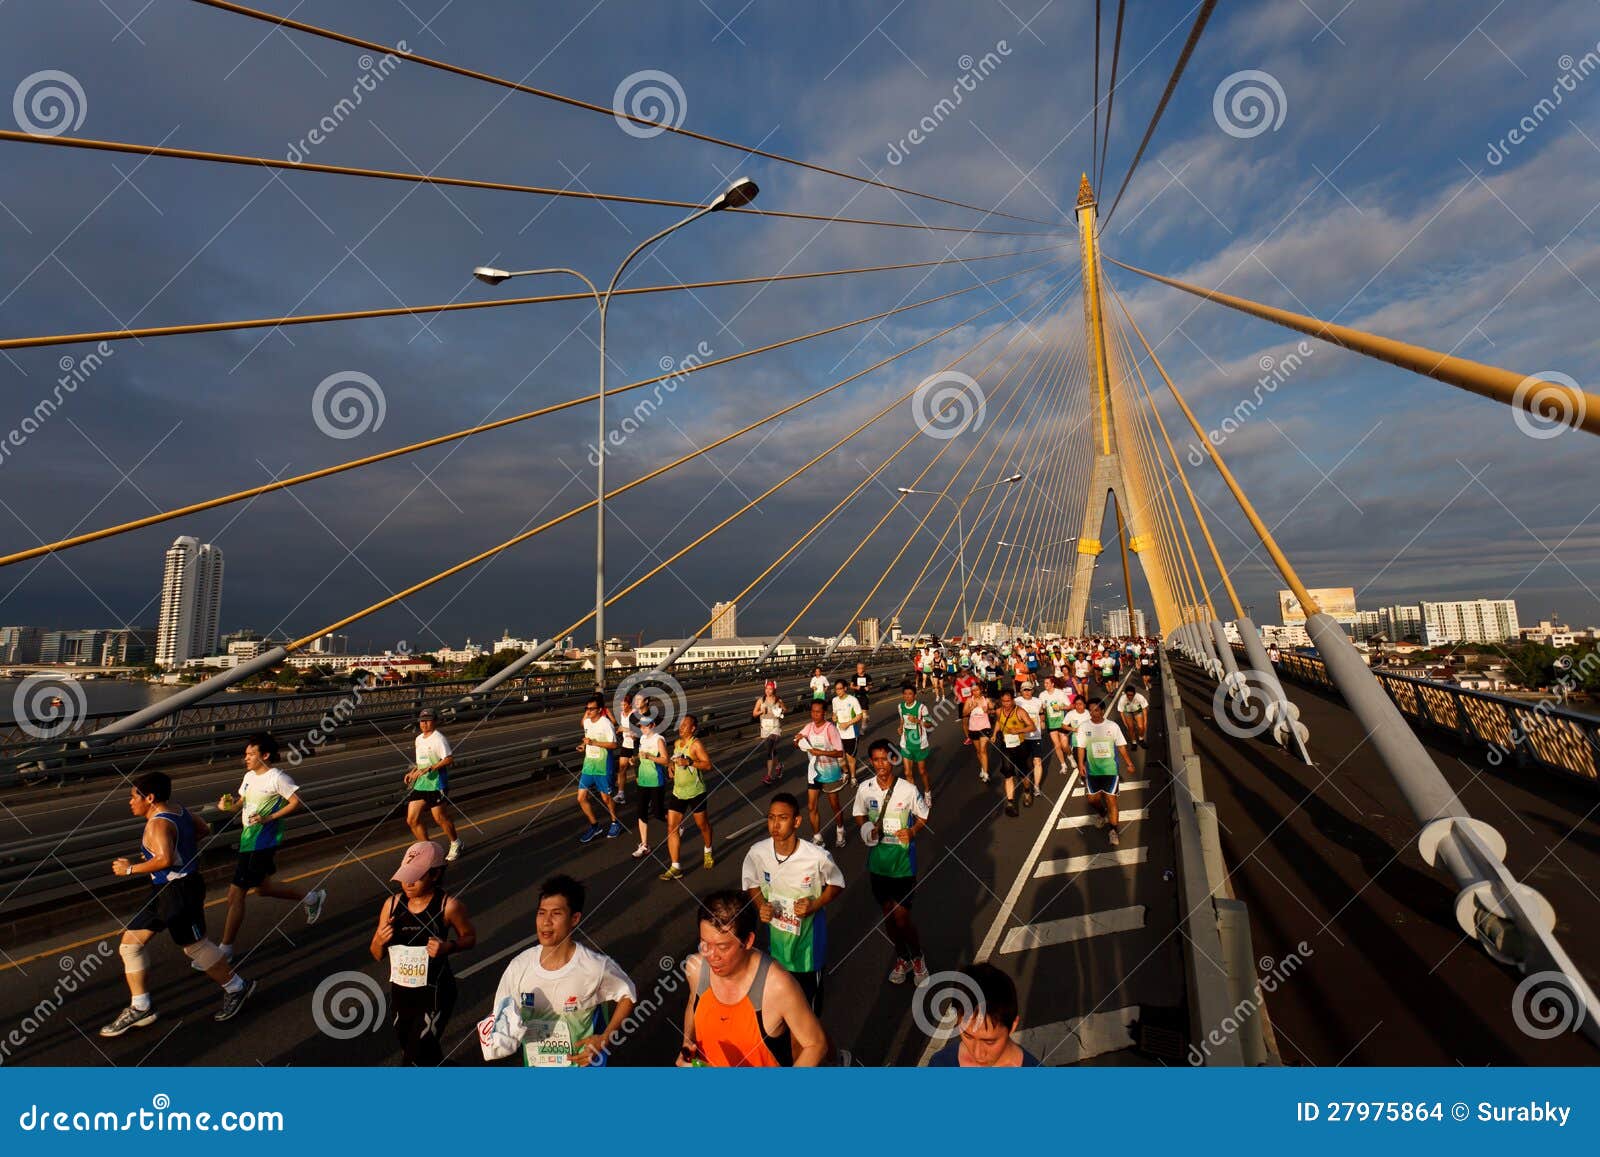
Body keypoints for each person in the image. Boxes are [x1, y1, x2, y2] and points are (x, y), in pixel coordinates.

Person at [101, 772, 256, 1035]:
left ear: (149, 798)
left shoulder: (157, 825)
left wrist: (130, 869)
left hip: (179, 891)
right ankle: (141, 1007)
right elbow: (203, 829)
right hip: (163, 890)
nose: (130, 802)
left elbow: (163, 860)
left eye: (133, 796)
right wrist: (179, 848)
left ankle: (237, 988)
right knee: (130, 945)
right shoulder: (178, 809)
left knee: (195, 947)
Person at [479, 875, 637, 1066]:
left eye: (556, 914)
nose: (546, 922)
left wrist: (604, 1038)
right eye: (541, 913)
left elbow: (628, 994)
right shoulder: (518, 967)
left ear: (574, 918)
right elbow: (500, 1014)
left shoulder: (594, 966)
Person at [679, 891, 829, 1066]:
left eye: (722, 947)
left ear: (748, 941)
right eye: (705, 943)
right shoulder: (695, 968)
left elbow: (816, 1044)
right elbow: (693, 1003)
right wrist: (687, 1042)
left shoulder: (777, 986)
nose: (711, 955)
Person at [215, 733, 326, 966]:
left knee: (235, 895)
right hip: (248, 839)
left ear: (265, 755)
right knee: (263, 889)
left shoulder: (278, 777)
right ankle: (311, 897)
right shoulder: (248, 777)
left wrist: (270, 817)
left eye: (251, 754)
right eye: (245, 754)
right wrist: (228, 806)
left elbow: (296, 801)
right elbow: (240, 804)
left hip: (261, 842)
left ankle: (224, 950)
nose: (246, 758)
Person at [370, 840, 476, 1065]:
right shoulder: (392, 904)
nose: (407, 882)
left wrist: (449, 947)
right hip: (401, 995)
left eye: (416, 876)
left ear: (435, 874)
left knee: (414, 1058)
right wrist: (380, 940)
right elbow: (376, 953)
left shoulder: (448, 906)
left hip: (435, 994)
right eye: (405, 875)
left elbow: (470, 938)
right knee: (419, 1052)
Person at [741, 793, 845, 1013]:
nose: (775, 825)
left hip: (808, 954)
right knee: (783, 1015)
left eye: (782, 818)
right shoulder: (757, 853)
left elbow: (836, 884)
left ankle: (827, 1049)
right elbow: (751, 882)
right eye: (770, 818)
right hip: (776, 953)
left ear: (797, 821)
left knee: (809, 1017)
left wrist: (814, 905)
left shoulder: (816, 856)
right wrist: (762, 907)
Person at [852, 740, 930, 986]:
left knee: (902, 917)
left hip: (903, 865)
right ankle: (902, 958)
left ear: (893, 760)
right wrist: (865, 828)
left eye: (885, 759)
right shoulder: (865, 789)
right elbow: (858, 813)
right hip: (878, 865)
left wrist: (913, 831)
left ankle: (917, 958)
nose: (881, 765)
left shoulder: (907, 789)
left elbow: (924, 814)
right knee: (888, 917)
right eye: (876, 760)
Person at [924, 963, 1042, 1067]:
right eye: (967, 1036)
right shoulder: (940, 1064)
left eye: (989, 1042)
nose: (977, 1054)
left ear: (1013, 1025)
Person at [1076, 699, 1137, 847]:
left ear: (1102, 711)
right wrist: (1080, 765)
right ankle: (1102, 813)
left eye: (1096, 710)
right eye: (1090, 711)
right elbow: (1081, 747)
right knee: (1092, 799)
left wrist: (1129, 763)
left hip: (1110, 770)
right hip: (1092, 771)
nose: (1093, 713)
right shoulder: (1084, 727)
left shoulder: (1112, 726)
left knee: (1111, 800)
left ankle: (1113, 831)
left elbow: (1121, 746)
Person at [660, 714, 714, 880]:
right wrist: (671, 767)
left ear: (692, 729)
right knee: (672, 827)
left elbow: (708, 765)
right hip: (678, 792)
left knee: (702, 825)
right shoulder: (677, 744)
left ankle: (708, 850)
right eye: (680, 724)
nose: (681, 727)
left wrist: (690, 762)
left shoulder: (695, 745)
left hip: (696, 792)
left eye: (685, 725)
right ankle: (676, 866)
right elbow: (674, 760)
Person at [404, 708, 461, 862]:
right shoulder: (418, 739)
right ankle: (428, 850)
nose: (424, 723)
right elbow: (420, 761)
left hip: (436, 784)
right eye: (422, 721)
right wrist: (413, 772)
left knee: (440, 818)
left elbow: (449, 759)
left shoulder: (439, 738)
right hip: (421, 784)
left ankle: (455, 843)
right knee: (412, 820)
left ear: (435, 721)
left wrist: (431, 768)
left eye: (428, 720)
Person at [797, 699, 848, 848]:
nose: (814, 714)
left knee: (834, 805)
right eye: (812, 711)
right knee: (812, 806)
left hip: (830, 773)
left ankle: (840, 830)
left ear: (824, 713)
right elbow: (798, 738)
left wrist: (821, 752)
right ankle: (817, 837)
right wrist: (798, 740)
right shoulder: (809, 727)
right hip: (814, 773)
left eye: (818, 712)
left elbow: (839, 752)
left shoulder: (830, 728)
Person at [576, 695, 624, 844]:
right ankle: (594, 826)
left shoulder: (606, 723)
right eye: (586, 708)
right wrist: (584, 745)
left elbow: (614, 745)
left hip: (603, 766)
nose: (588, 711)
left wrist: (594, 743)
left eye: (591, 709)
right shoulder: (587, 723)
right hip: (589, 765)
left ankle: (615, 822)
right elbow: (587, 737)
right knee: (581, 798)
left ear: (600, 710)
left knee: (605, 798)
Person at [631, 710, 669, 859]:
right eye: (640, 727)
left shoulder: (659, 739)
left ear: (653, 725)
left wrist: (650, 757)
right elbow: (642, 757)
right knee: (641, 811)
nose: (642, 729)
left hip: (656, 780)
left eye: (645, 726)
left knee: (658, 813)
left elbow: (665, 760)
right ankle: (644, 845)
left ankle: (676, 824)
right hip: (643, 779)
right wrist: (635, 760)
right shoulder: (642, 740)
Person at [991, 690, 1033, 816]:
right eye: (1003, 701)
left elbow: (1032, 727)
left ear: (1013, 700)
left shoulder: (1020, 712)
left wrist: (1019, 730)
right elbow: (999, 722)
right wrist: (994, 734)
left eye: (1008, 701)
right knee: (1008, 774)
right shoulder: (999, 712)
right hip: (1006, 746)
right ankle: (1010, 803)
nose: (1006, 703)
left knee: (1023, 773)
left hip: (1020, 746)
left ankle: (1026, 792)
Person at [896, 680, 934, 804]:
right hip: (906, 744)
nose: (907, 696)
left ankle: (927, 792)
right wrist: (900, 728)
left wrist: (918, 721)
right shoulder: (901, 707)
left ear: (915, 695)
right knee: (907, 772)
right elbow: (902, 720)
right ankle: (914, 797)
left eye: (910, 694)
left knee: (922, 771)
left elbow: (929, 724)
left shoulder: (921, 708)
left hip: (919, 744)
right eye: (905, 694)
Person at [1015, 681, 1046, 800]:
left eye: (1029, 690)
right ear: (1021, 691)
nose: (1027, 692)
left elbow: (1042, 714)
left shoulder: (1038, 701)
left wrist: (1042, 722)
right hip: (1022, 737)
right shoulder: (1017, 701)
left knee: (1037, 761)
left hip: (1035, 735)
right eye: (1025, 690)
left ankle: (1036, 786)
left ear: (1033, 690)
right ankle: (1028, 778)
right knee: (1026, 762)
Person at [1040, 675, 1076, 778]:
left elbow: (1070, 706)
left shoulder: (1060, 693)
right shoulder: (1042, 695)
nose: (1045, 685)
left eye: (1047, 683)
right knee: (1057, 745)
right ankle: (1063, 764)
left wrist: (1061, 707)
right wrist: (1042, 717)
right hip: (1051, 723)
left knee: (1064, 745)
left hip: (1062, 722)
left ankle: (1070, 756)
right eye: (1044, 683)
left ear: (1052, 684)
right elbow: (1041, 709)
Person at [753, 680, 786, 786]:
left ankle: (768, 775)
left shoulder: (778, 700)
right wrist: (761, 712)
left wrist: (780, 711)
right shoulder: (760, 700)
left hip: (775, 728)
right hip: (765, 729)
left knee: (770, 750)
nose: (768, 691)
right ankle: (779, 766)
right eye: (766, 688)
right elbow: (754, 714)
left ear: (774, 690)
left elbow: (785, 709)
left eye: (770, 689)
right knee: (770, 749)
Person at [831, 678, 866, 781]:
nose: (838, 691)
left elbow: (860, 715)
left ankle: (853, 778)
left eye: (840, 689)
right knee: (839, 758)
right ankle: (846, 772)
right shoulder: (834, 700)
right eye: (836, 689)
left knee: (850, 758)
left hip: (851, 734)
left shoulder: (852, 700)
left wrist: (847, 723)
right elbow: (834, 714)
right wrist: (834, 717)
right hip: (839, 735)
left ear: (845, 688)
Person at [963, 681, 993, 783]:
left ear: (981, 690)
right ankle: (983, 767)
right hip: (973, 728)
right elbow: (964, 713)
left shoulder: (986, 700)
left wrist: (987, 710)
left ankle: (985, 773)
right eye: (973, 690)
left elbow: (994, 711)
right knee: (979, 751)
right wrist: (971, 707)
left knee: (983, 750)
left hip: (985, 727)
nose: (975, 692)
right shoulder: (969, 700)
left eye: (977, 690)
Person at [616, 692, 641, 807]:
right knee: (622, 768)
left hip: (636, 745)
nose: (622, 706)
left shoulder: (635, 714)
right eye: (621, 704)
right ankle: (621, 794)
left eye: (624, 704)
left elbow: (639, 730)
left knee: (638, 772)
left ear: (629, 704)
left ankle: (644, 796)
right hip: (626, 744)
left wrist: (623, 729)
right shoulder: (622, 714)